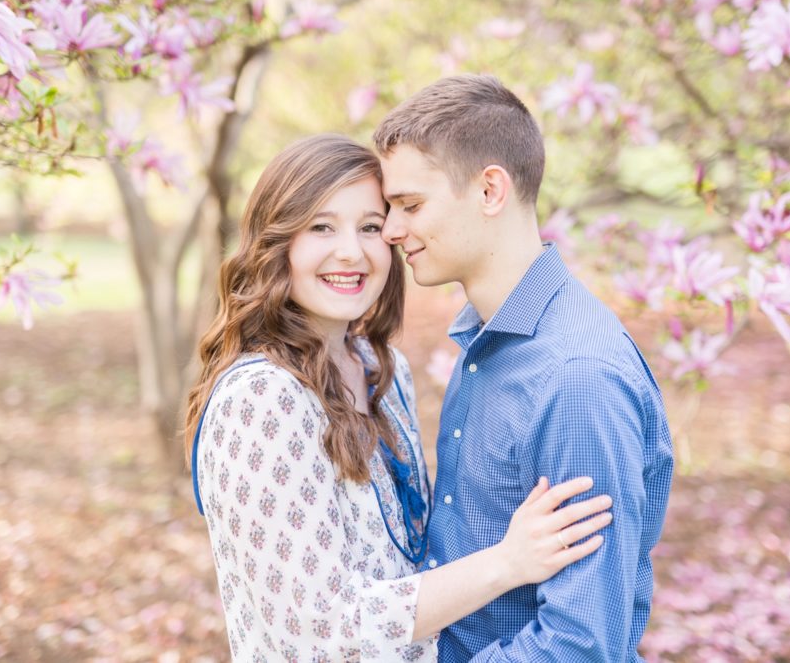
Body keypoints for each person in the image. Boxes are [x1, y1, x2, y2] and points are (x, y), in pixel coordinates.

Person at [183, 134, 614, 662]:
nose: (352, 251)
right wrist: (508, 561)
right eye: (321, 227)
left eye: (370, 227)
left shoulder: (378, 369)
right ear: (277, 243)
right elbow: (318, 631)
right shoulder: (261, 399)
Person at [373, 75, 674, 662]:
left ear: (490, 191)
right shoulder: (489, 342)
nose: (391, 230)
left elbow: (581, 645)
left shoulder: (575, 378)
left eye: (410, 205)